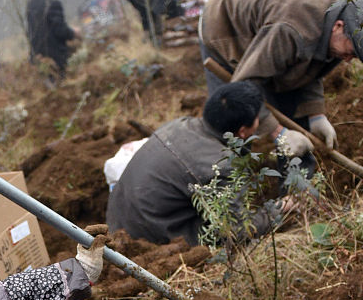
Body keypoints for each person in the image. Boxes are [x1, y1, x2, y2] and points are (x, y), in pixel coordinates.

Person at [198, 0, 363, 158]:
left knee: (297, 123)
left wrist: (315, 114)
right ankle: (224, 186)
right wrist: (278, 132)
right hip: (225, 26)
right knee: (234, 122)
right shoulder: (293, 30)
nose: (347, 60)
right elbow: (244, 85)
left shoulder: (342, 19)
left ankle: (297, 192)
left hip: (270, 35)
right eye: (351, 53)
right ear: (339, 27)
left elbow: (310, 67)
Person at [106, 80, 298, 245]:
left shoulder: (180, 125)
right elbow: (236, 231)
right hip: (149, 240)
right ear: (242, 131)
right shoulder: (221, 165)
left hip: (117, 221)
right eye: (258, 118)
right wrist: (278, 209)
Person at [26, 0, 81, 78]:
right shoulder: (54, 4)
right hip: (55, 57)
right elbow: (60, 30)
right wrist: (73, 32)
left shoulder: (31, 4)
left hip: (38, 57)